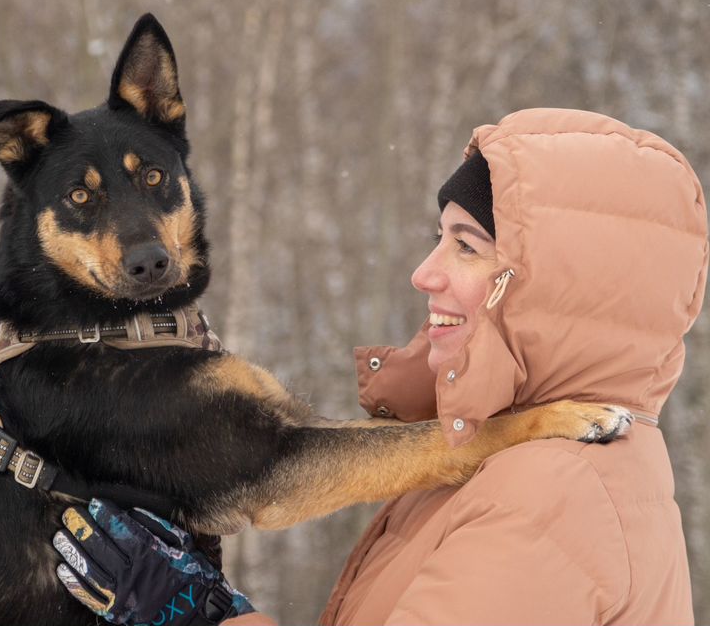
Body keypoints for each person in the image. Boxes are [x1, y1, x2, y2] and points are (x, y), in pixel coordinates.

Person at [52, 108, 707, 625]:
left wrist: (199, 614)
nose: (426, 273)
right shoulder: (522, 457)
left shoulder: (552, 492)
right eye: (438, 238)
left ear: (555, 287)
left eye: (467, 246)